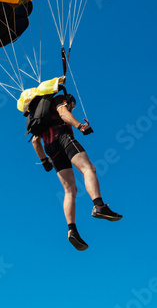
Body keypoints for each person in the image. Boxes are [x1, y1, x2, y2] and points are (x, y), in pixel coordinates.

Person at [31, 86, 122, 251]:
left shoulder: (38, 118)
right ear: (70, 102)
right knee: (88, 169)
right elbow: (64, 114)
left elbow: (35, 142)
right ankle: (99, 205)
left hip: (50, 147)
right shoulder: (59, 100)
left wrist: (44, 161)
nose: (72, 108)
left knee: (69, 190)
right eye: (73, 106)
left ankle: (72, 229)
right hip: (63, 137)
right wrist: (80, 126)